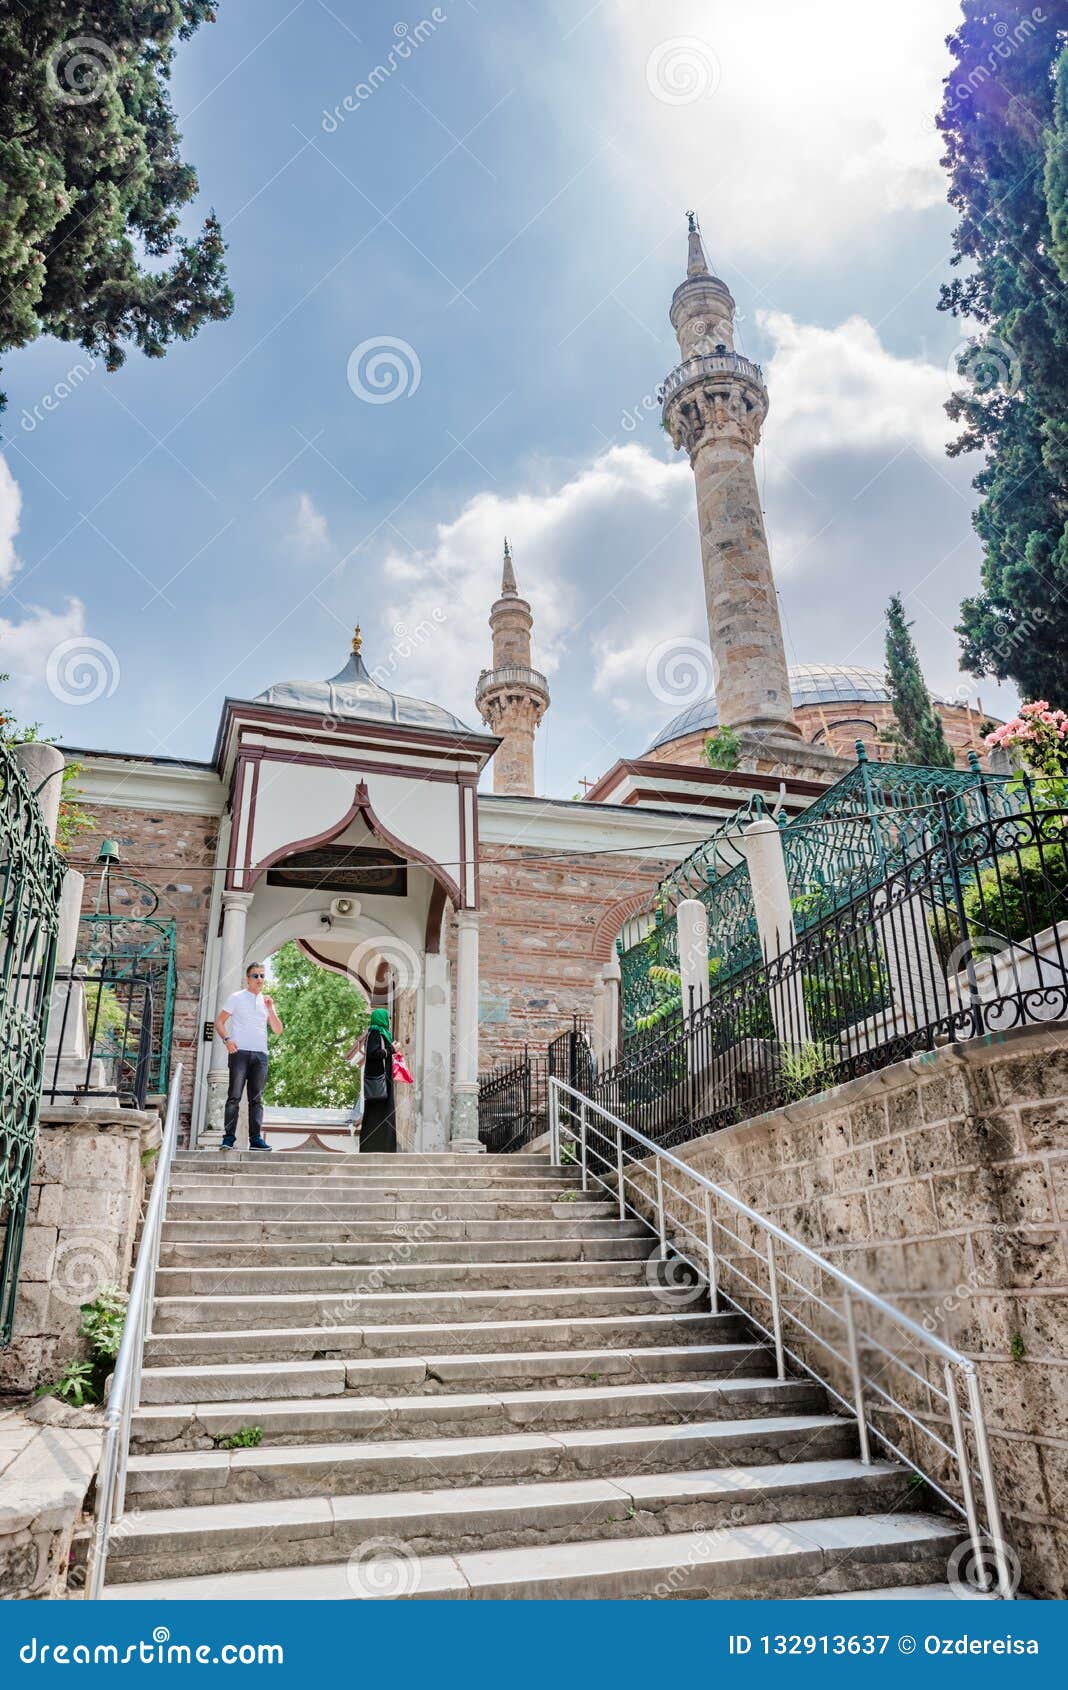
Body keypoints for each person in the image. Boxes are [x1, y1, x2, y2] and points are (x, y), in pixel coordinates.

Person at [214, 961, 283, 1151]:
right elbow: (219, 1022)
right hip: (240, 1054)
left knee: (256, 1099)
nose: (259, 979)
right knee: (234, 1096)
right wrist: (227, 1039)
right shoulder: (236, 997)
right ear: (248, 979)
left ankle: (255, 1140)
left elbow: (278, 1030)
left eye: (262, 976)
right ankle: (228, 1138)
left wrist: (270, 1009)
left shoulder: (266, 1002)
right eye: (255, 976)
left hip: (261, 1055)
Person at [351, 1006, 398, 1153]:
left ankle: (385, 1148)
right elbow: (373, 1053)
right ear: (381, 1018)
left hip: (384, 1080)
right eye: (386, 1018)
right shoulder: (375, 1032)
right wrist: (391, 1049)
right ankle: (373, 1147)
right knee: (376, 1114)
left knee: (383, 1114)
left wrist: (392, 1050)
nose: (388, 1021)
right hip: (378, 1081)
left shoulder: (382, 1033)